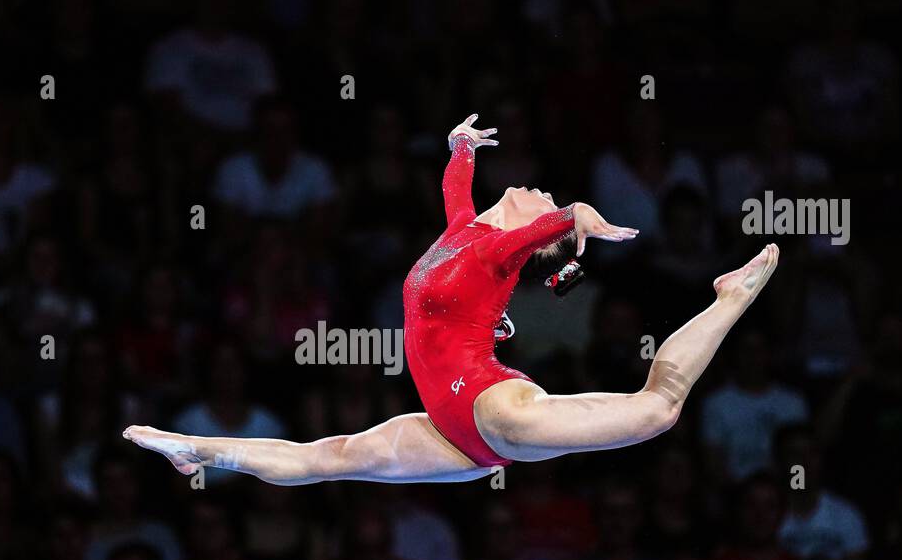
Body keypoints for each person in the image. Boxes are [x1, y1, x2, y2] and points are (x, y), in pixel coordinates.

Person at [127, 114, 779, 484]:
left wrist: (576, 214)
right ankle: (198, 447)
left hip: (495, 408)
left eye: (547, 199)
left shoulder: (501, 249)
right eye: (545, 196)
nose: (541, 193)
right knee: (327, 458)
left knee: (656, 411)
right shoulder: (463, 228)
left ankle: (727, 298)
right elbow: (457, 182)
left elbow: (556, 221)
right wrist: (460, 144)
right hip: (452, 432)